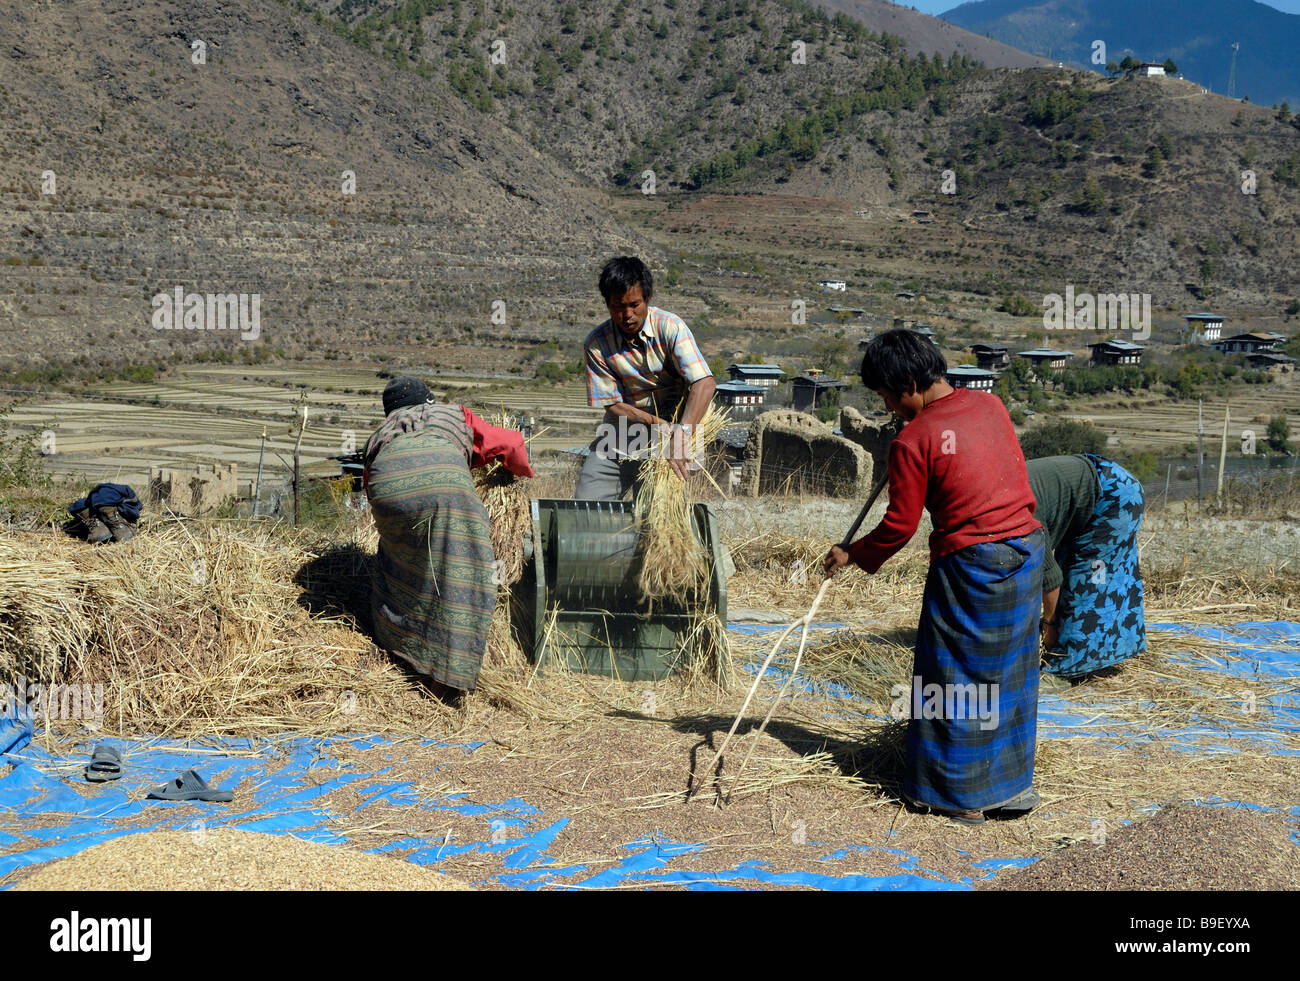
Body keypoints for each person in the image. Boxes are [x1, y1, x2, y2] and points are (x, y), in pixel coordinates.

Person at [823, 330, 1046, 826]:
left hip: (974, 565)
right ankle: (1009, 788)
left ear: (907, 382)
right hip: (1027, 553)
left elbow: (900, 526)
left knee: (951, 676)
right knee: (1009, 672)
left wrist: (852, 554)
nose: (887, 407)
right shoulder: (989, 406)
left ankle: (955, 795)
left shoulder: (913, 439)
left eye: (885, 396)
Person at [363, 377, 534, 699]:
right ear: (429, 400)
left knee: (399, 568)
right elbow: (510, 444)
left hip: (388, 494)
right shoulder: (453, 414)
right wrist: (522, 475)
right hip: (446, 494)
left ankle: (401, 653)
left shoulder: (381, 433)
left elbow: (370, 482)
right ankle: (446, 682)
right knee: (463, 576)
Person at [575, 256, 716, 500]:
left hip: (679, 424)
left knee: (660, 509)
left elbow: (704, 383)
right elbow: (613, 404)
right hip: (623, 431)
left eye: (634, 304)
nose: (627, 314)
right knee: (588, 500)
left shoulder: (671, 327)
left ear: (647, 299)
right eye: (618, 306)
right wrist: (657, 424)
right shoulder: (597, 344)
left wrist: (681, 434)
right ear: (607, 305)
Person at [1026, 454, 1146, 680]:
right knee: (1076, 567)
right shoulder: (996, 500)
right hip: (1096, 488)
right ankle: (1108, 650)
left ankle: (1066, 668)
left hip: (1114, 496)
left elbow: (1049, 579)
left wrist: (1049, 626)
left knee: (1089, 579)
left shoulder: (1021, 519)